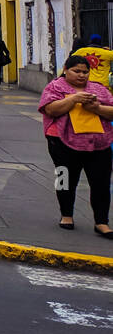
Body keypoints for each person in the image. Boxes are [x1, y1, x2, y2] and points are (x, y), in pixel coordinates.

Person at [39, 54, 113, 235]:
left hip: (98, 143)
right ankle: (66, 215)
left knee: (101, 182)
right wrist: (73, 99)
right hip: (61, 143)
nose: (81, 75)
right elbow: (50, 109)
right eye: (76, 71)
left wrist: (97, 108)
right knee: (64, 179)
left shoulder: (99, 89)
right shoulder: (55, 87)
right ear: (66, 70)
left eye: (85, 72)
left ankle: (101, 222)